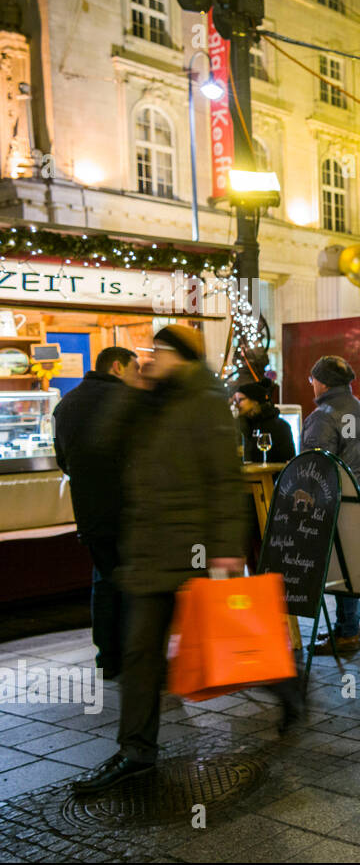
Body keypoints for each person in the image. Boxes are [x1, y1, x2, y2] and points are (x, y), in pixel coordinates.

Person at [71, 325, 263, 793]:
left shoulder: (206, 401)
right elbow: (102, 443)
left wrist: (224, 549)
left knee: (224, 638)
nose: (152, 358)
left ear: (182, 356)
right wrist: (134, 391)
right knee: (139, 653)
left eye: (160, 351)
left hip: (192, 551)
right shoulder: (147, 399)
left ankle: (284, 686)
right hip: (149, 549)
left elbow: (223, 479)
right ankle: (135, 751)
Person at [53, 346, 140, 680]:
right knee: (133, 582)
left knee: (105, 581)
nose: (138, 377)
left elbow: (63, 461)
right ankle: (135, 656)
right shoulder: (129, 403)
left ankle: (107, 657)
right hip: (130, 508)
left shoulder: (66, 405)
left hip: (90, 511)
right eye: (135, 370)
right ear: (117, 367)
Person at [301, 356, 360, 655]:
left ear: (322, 382)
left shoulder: (325, 414)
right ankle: (347, 629)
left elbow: (315, 467)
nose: (312, 386)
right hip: (357, 497)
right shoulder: (359, 409)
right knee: (347, 563)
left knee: (338, 566)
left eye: (313, 380)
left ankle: (347, 633)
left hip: (332, 501)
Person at [232, 379, 295, 463]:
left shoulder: (280, 426)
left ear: (254, 401)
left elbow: (288, 460)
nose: (236, 404)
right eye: (235, 401)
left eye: (240, 400)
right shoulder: (241, 425)